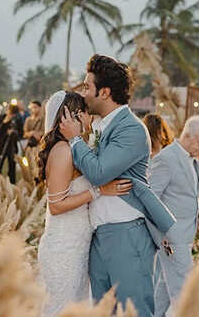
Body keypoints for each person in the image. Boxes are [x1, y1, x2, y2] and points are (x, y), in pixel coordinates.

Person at [59, 54, 175, 317]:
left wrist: (76, 141)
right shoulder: (100, 125)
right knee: (103, 311)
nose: (84, 93)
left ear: (105, 92)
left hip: (127, 234)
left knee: (133, 311)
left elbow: (99, 172)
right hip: (99, 233)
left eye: (88, 87)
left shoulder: (131, 129)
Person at [36, 91, 129, 317]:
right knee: (60, 309)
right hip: (63, 247)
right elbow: (56, 206)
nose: (88, 118)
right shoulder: (62, 152)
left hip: (77, 244)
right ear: (68, 117)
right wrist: (97, 191)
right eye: (83, 113)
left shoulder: (77, 147)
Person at [148, 115, 199, 317]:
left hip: (185, 236)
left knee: (161, 292)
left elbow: (187, 192)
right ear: (187, 136)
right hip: (172, 241)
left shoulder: (193, 161)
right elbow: (150, 199)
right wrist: (163, 237)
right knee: (186, 295)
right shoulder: (166, 159)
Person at [0, 104, 23, 185]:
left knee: (12, 167)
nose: (11, 115)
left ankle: (12, 185)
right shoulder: (0, 117)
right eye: (10, 112)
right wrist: (4, 122)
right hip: (1, 145)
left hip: (12, 146)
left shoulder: (18, 120)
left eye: (13, 114)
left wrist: (14, 132)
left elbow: (21, 133)